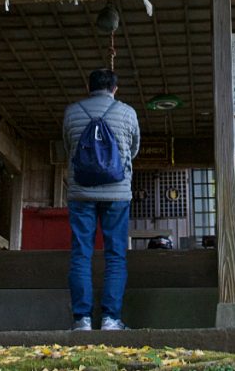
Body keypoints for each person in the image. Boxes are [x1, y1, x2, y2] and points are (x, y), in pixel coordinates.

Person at [63, 68, 140, 331]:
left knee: (81, 253)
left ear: (89, 87)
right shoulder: (127, 112)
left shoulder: (72, 112)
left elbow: (68, 147)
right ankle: (110, 319)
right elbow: (133, 148)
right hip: (117, 192)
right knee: (115, 255)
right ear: (114, 89)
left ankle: (81, 320)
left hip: (81, 192)